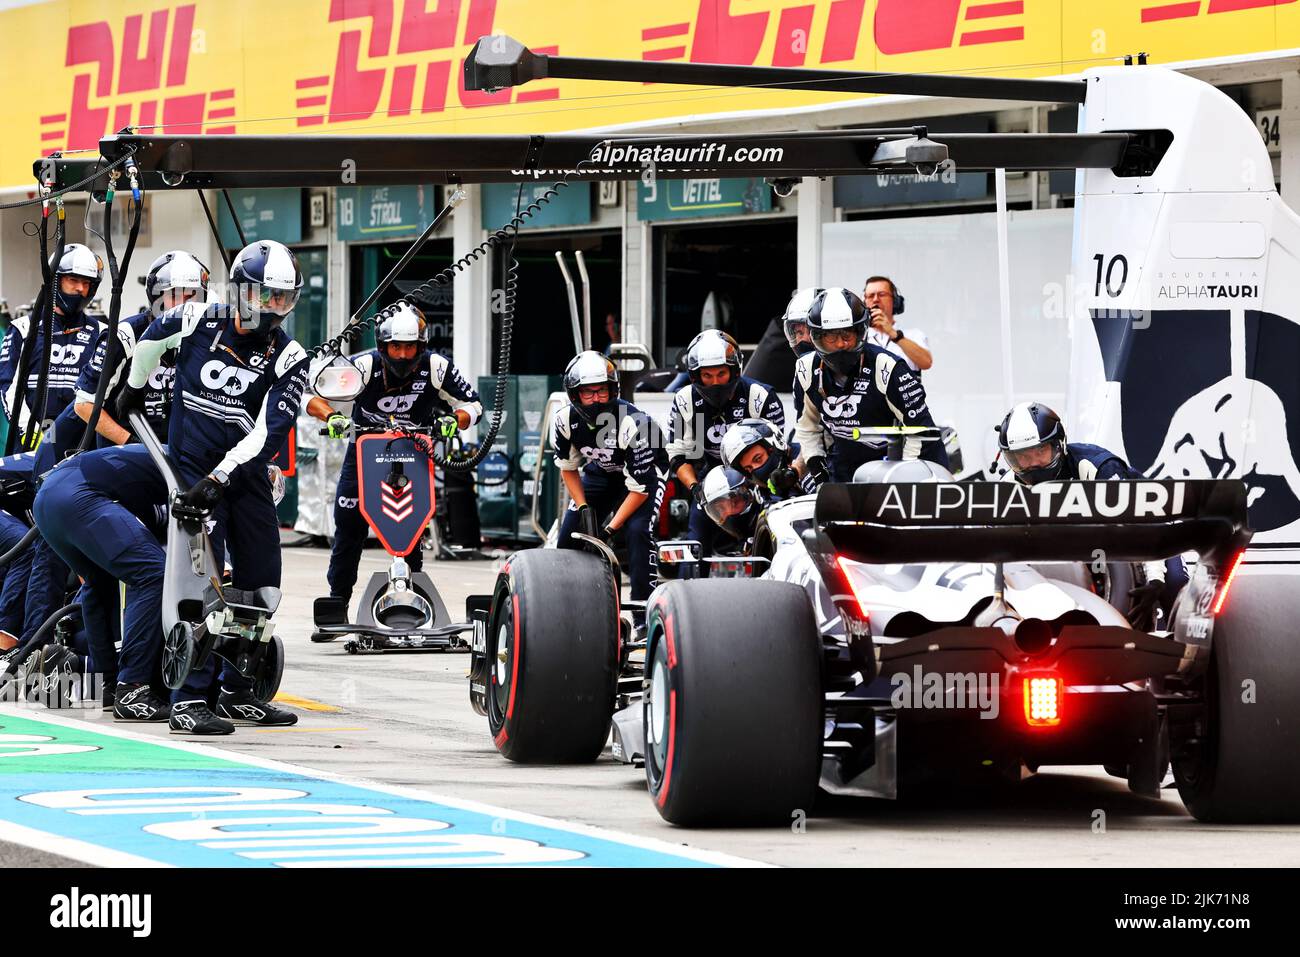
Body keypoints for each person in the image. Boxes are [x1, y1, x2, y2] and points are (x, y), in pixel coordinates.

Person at [117, 239, 308, 734]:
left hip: (239, 479)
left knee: (261, 586)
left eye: (284, 300)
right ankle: (188, 698)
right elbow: (150, 341)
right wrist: (135, 386)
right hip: (187, 473)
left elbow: (269, 433)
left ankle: (237, 691)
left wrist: (221, 478)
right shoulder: (197, 317)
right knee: (204, 587)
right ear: (243, 291)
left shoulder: (290, 354)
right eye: (268, 297)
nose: (275, 309)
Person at [306, 301, 482, 634]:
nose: (402, 355)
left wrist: (453, 420)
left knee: (411, 527)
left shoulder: (437, 367)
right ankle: (338, 603)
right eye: (395, 347)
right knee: (348, 527)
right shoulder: (362, 366)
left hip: (414, 452)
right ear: (382, 345)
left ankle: (413, 597)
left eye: (410, 347)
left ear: (422, 345)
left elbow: (474, 404)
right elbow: (309, 393)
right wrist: (332, 416)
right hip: (363, 452)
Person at [996, 400, 1187, 625]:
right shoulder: (1007, 486)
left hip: (1153, 528)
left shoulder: (1098, 468)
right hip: (1080, 552)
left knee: (1173, 583)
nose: (1033, 464)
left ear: (1059, 446)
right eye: (1022, 457)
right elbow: (994, 547)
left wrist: (1155, 579)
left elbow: (1142, 522)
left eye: (1040, 452)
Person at [32, 444, 169, 719]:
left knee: (98, 580)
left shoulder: (162, 454)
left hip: (47, 500)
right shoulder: (201, 468)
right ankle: (132, 687)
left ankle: (106, 681)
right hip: (79, 496)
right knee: (153, 574)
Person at [795, 287, 948, 483]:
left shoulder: (888, 367)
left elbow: (919, 431)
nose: (841, 344)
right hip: (847, 467)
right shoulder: (805, 369)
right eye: (832, 337)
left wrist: (902, 479)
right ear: (817, 338)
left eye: (847, 335)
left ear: (860, 332)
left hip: (907, 464)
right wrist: (817, 466)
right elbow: (807, 428)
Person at [552, 350, 667, 601]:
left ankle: (642, 610)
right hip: (603, 471)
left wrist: (608, 531)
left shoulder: (634, 423)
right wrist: (583, 508)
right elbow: (568, 468)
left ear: (613, 390)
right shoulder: (562, 419)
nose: (596, 399)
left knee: (637, 531)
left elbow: (639, 490)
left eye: (602, 390)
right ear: (575, 394)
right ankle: (569, 603)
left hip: (645, 477)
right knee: (569, 535)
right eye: (588, 392)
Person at [666, 329, 783, 556]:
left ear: (735, 370)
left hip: (758, 479)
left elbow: (774, 452)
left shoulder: (760, 396)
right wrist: (697, 489)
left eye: (721, 374)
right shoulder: (684, 400)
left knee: (769, 539)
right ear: (695, 376)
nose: (715, 383)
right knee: (695, 540)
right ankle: (691, 586)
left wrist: (753, 486)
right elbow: (678, 455)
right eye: (707, 376)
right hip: (710, 480)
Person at [0, 243, 106, 442]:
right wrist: (30, 434)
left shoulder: (102, 333)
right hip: (31, 443)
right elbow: (8, 388)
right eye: (73, 280)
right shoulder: (23, 329)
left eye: (87, 283)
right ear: (55, 280)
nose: (80, 289)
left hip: (83, 445)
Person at [720, 418, 815, 503]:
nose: (757, 469)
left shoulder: (813, 453)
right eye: (748, 468)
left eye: (757, 459)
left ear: (775, 445)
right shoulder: (762, 497)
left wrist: (797, 472)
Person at [862, 276, 932, 372]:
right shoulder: (858, 337)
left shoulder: (914, 335)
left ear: (895, 301)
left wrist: (893, 333)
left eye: (881, 294)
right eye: (870, 296)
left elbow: (926, 362)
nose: (875, 300)